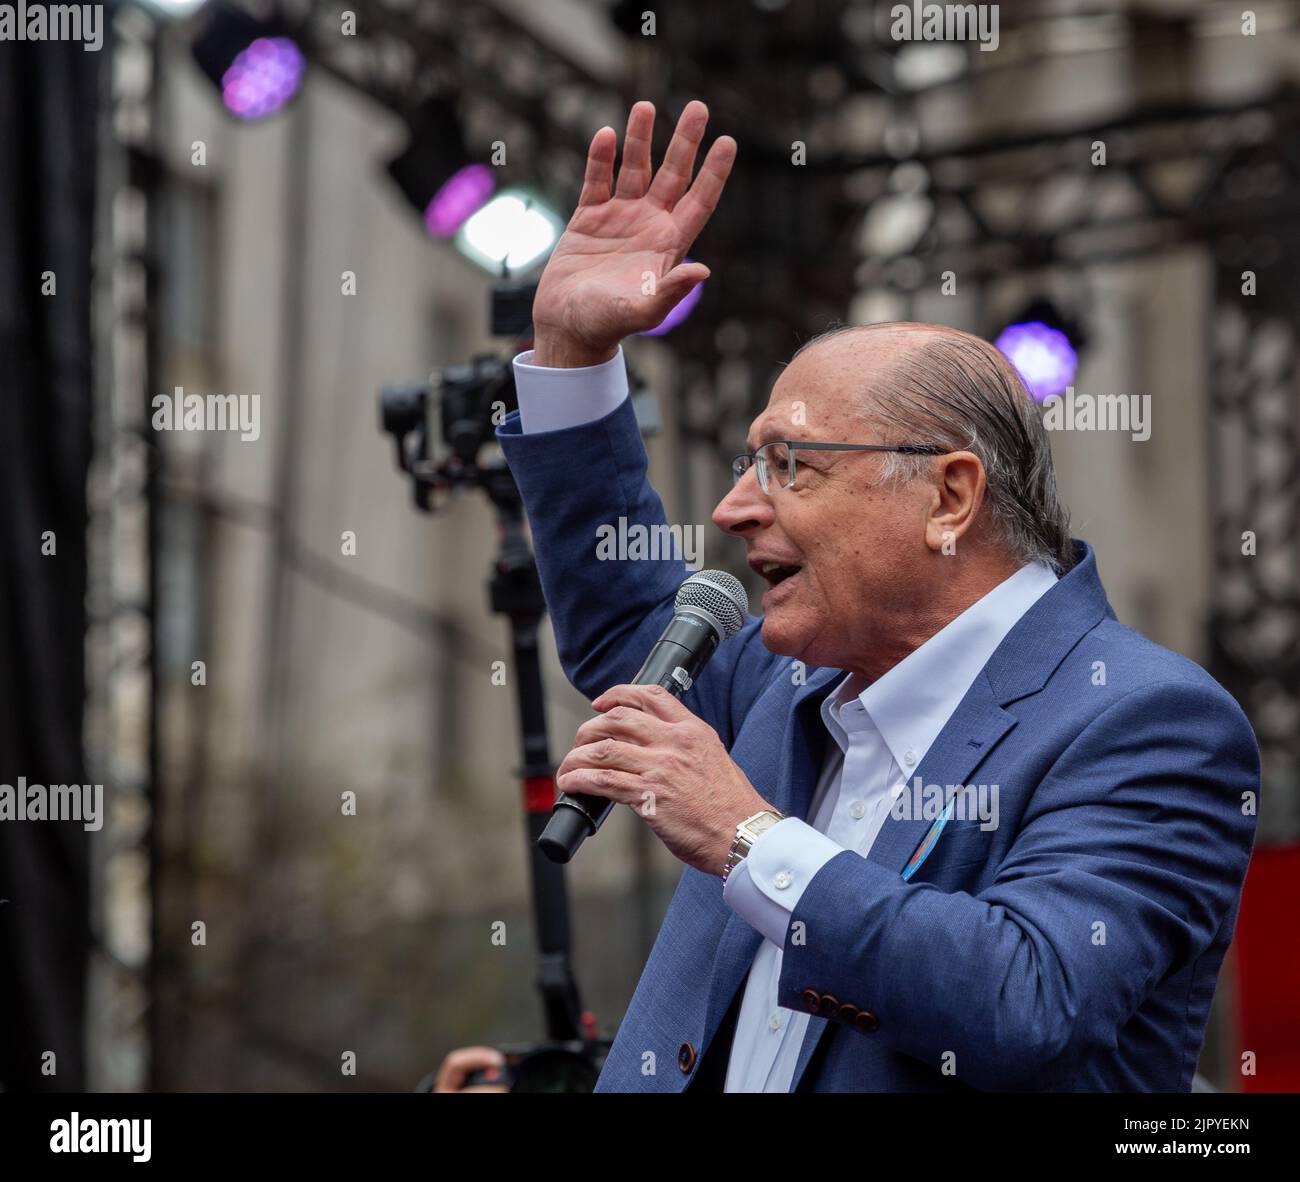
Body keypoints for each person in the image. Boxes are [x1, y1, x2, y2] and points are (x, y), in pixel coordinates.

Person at [436, 99, 1259, 1092]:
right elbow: (626, 624)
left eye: (788, 464)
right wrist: (572, 354)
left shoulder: (1141, 719)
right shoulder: (778, 685)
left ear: (948, 496)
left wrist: (747, 838)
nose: (735, 509)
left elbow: (1030, 998)